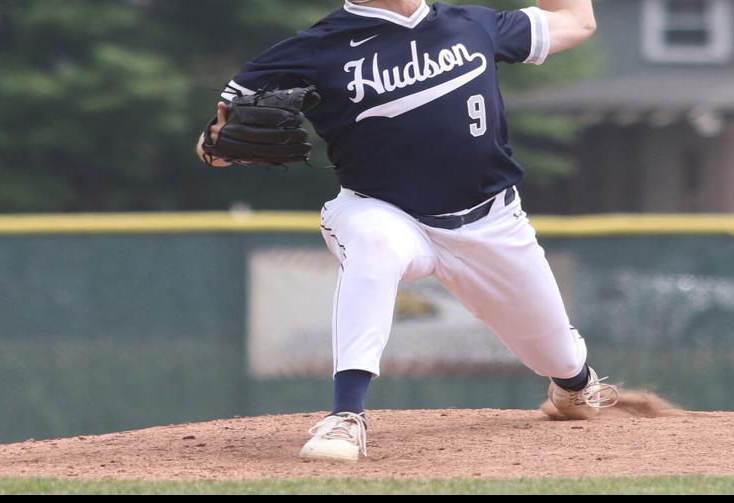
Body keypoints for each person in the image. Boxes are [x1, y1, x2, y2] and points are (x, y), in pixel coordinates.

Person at [199, 0, 616, 463]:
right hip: (382, 211)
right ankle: (345, 417)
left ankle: (575, 384)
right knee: (375, 247)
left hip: (491, 224)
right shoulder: (315, 48)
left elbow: (578, 21)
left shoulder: (473, 23)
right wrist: (219, 145)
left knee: (560, 359)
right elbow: (214, 146)